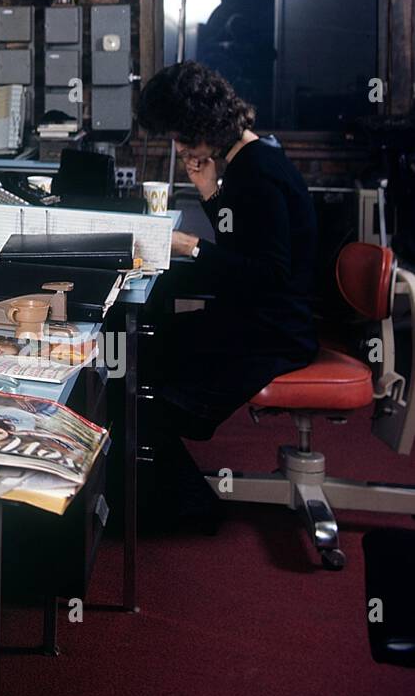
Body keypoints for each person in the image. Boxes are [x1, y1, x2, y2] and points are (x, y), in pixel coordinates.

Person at [135, 60, 318, 530]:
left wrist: (191, 246)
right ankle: (167, 493)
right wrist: (210, 193)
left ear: (202, 125)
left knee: (141, 384)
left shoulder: (258, 172)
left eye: (180, 135)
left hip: (274, 334)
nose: (178, 146)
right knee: (145, 349)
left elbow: (266, 276)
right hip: (261, 319)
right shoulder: (246, 161)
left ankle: (188, 507)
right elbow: (244, 249)